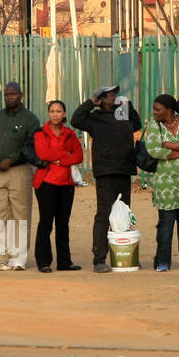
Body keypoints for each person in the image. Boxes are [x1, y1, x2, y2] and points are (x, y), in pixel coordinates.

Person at [71, 85, 141, 273]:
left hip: (124, 170)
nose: (115, 97)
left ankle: (122, 255)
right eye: (110, 95)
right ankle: (99, 259)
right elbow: (75, 120)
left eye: (115, 95)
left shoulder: (122, 114)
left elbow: (137, 124)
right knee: (104, 215)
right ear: (100, 100)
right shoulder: (94, 119)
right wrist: (90, 103)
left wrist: (128, 105)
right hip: (105, 172)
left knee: (123, 213)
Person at [0, 81, 41, 271]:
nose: (9, 97)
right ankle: (2, 256)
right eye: (6, 94)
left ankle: (18, 257)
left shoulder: (30, 119)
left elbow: (31, 145)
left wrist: (11, 160)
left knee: (20, 213)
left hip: (18, 171)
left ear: (21, 95)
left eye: (12, 94)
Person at [143, 94, 179, 272]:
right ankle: (162, 261)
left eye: (157, 109)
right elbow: (154, 150)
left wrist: (168, 144)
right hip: (165, 185)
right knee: (165, 224)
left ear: (169, 110)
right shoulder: (154, 125)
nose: (154, 112)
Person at [29, 100, 83, 272]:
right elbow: (43, 153)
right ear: (48, 113)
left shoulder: (70, 133)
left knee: (63, 223)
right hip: (46, 183)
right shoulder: (40, 133)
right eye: (52, 111)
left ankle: (64, 262)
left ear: (64, 114)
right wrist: (65, 156)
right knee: (46, 222)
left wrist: (58, 159)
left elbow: (79, 155)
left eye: (59, 111)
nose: (55, 114)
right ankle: (43, 262)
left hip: (66, 184)